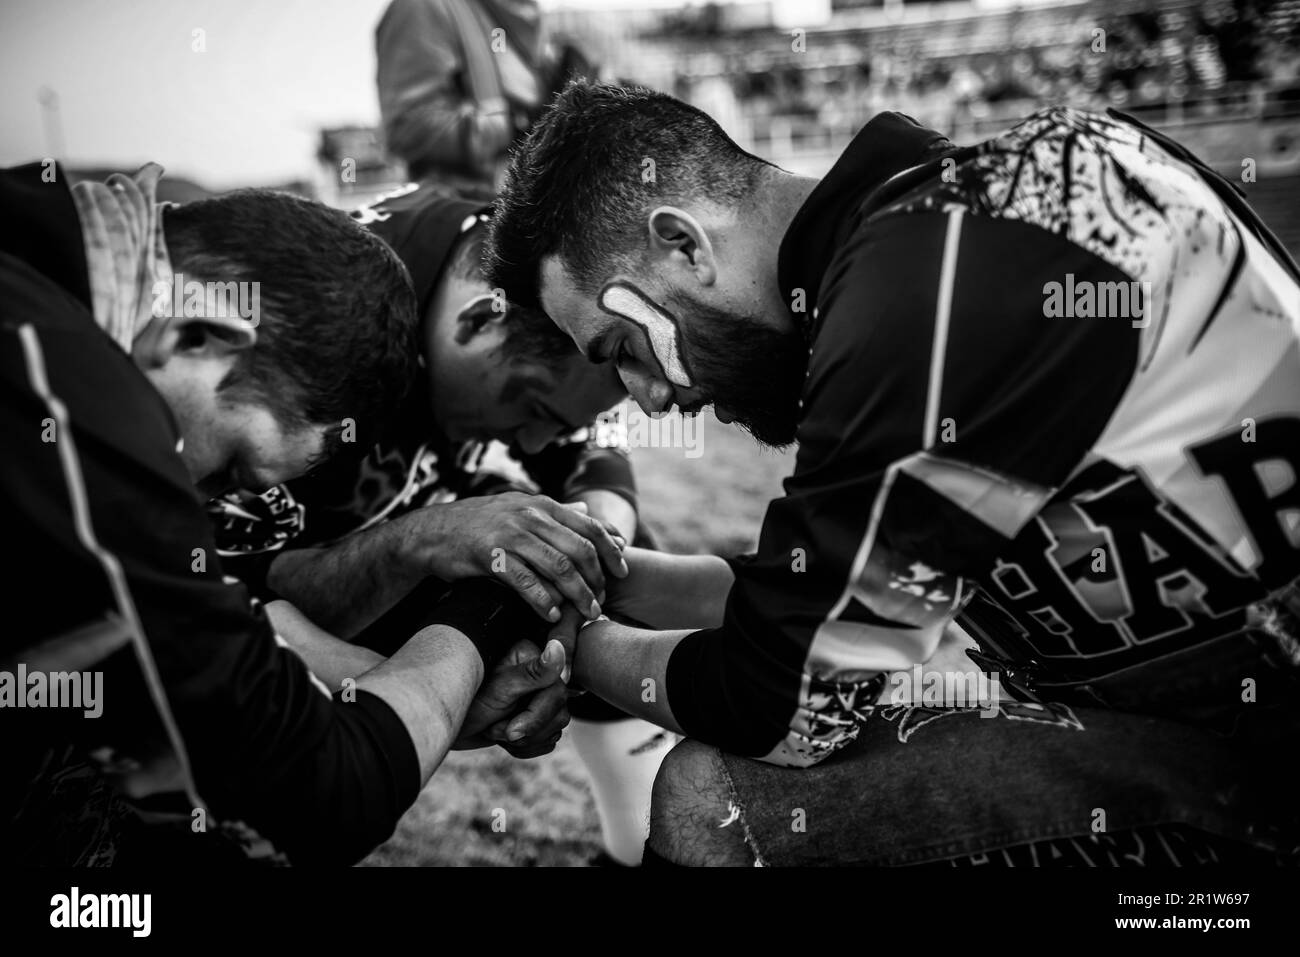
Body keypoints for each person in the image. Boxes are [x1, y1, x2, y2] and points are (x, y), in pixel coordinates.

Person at [485, 80, 1300, 865]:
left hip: (1262, 781)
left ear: (685, 244)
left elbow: (786, 706)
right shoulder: (955, 231)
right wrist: (604, 576)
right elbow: (830, 604)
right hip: (1221, 733)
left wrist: (567, 651)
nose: (650, 400)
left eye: (625, 350)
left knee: (715, 801)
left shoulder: (923, 284)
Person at [0, 161, 597, 865]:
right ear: (197, 335)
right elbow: (320, 796)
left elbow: (232, 619)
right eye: (229, 468)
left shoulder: (48, 268)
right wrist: (469, 636)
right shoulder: (67, 393)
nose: (202, 499)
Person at [208, 182, 673, 866]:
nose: (538, 443)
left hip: (385, 529)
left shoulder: (507, 248)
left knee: (581, 555)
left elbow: (587, 436)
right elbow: (229, 593)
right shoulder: (322, 333)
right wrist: (422, 546)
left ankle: (638, 841)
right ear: (480, 322)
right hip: (280, 587)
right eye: (533, 406)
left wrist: (600, 539)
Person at [376, 0, 586, 198]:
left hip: (532, 213)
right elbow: (407, 127)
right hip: (463, 219)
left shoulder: (530, 15)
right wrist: (515, 124)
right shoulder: (423, 7)